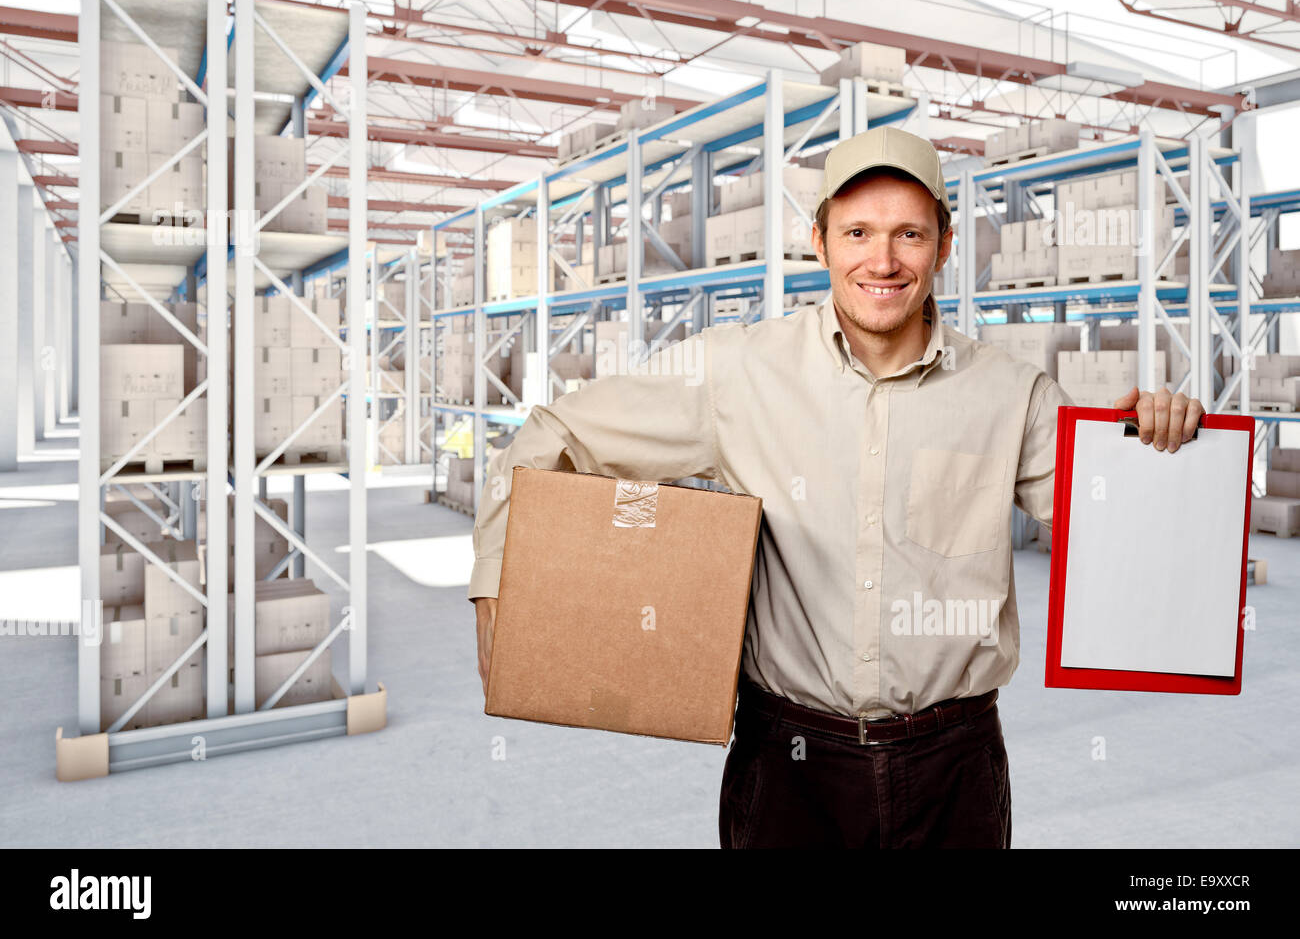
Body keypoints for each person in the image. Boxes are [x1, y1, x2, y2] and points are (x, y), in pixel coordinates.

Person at [466, 125, 1204, 848]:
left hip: (955, 768)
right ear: (819, 243)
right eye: (857, 233)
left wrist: (1154, 448)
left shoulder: (1015, 394)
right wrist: (500, 581)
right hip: (791, 768)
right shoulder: (735, 373)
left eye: (909, 235)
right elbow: (552, 434)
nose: (882, 259)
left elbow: (1115, 534)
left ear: (945, 246)